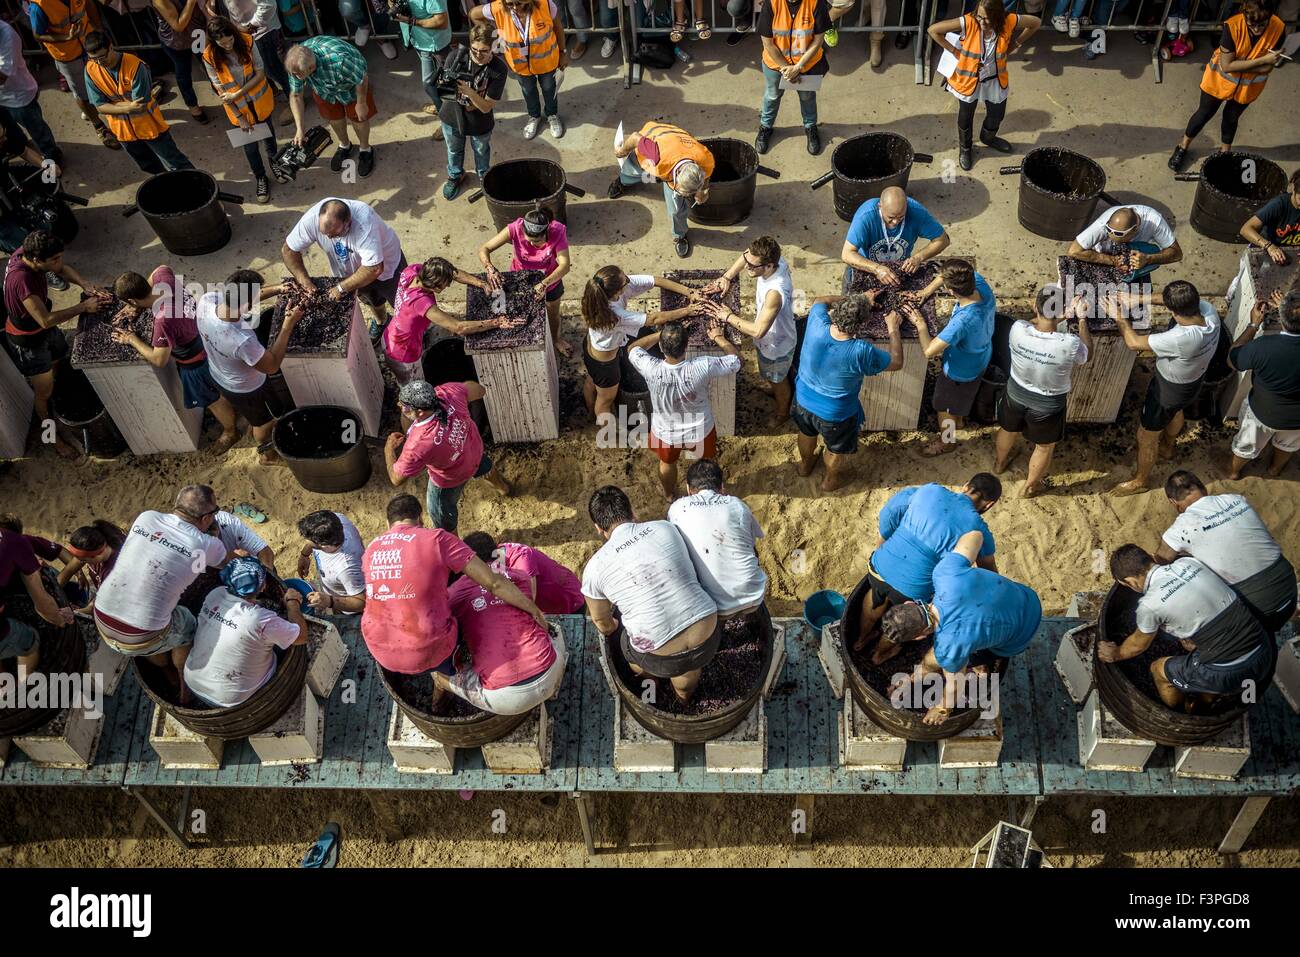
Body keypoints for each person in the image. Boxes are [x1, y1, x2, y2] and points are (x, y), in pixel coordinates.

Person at [360, 493, 544, 679]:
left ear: (387, 523)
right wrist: (533, 610)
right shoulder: (437, 539)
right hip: (429, 649)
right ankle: (453, 677)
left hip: (379, 649)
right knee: (459, 637)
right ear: (421, 518)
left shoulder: (371, 549)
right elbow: (494, 583)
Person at [879, 529, 1041, 725]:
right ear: (910, 604)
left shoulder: (949, 645)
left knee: (933, 660)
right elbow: (975, 536)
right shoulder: (944, 573)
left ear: (919, 637)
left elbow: (956, 684)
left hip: (1019, 634)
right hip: (1025, 596)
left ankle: (975, 664)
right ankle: (917, 677)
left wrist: (942, 709)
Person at [582, 485, 720, 703]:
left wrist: (617, 627)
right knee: (686, 673)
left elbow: (603, 623)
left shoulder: (594, 568)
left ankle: (650, 683)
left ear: (599, 528)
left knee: (628, 645)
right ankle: (683, 698)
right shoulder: (665, 528)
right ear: (633, 512)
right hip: (707, 630)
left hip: (658, 651)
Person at [1102, 545, 1273, 711]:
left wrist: (1115, 653)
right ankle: (1206, 699)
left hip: (1228, 673)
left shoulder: (1150, 605)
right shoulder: (1190, 563)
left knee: (1158, 668)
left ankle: (1180, 711)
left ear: (1130, 581)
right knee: (1205, 661)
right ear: (1152, 558)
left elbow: (1137, 646)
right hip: (1264, 653)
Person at [858, 475, 1001, 654]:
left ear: (965, 486)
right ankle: (880, 653)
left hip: (878, 567)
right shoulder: (979, 529)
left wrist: (885, 538)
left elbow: (890, 510)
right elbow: (989, 574)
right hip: (912, 590)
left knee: (874, 598)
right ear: (989, 505)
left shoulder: (930, 490)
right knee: (903, 621)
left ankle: (861, 639)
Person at [92, 486, 229, 673]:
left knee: (156, 613)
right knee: (187, 622)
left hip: (101, 617)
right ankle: (183, 677)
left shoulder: (146, 517)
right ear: (206, 518)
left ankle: (164, 667)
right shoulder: (205, 544)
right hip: (140, 635)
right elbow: (224, 563)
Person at [110, 266, 240, 454]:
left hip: (196, 361)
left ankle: (231, 431)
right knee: (223, 382)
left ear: (131, 300)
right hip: (208, 334)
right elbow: (162, 267)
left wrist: (131, 339)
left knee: (212, 399)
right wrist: (138, 305)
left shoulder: (163, 320)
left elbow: (159, 359)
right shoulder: (163, 279)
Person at [4, 229, 109, 458]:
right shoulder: (21, 280)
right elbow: (45, 320)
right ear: (35, 260)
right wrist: (83, 307)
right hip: (30, 341)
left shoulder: (28, 250)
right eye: (53, 259)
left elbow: (61, 270)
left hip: (48, 331)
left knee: (60, 357)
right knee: (43, 393)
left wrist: (84, 283)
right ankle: (51, 437)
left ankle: (57, 382)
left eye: (59, 256)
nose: (59, 263)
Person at [1111, 281, 1220, 496]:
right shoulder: (1209, 313)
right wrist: (1138, 299)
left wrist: (1118, 317)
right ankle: (1168, 447)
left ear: (1173, 312)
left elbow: (1134, 343)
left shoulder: (1180, 338)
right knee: (1176, 412)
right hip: (1192, 381)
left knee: (1146, 436)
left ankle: (1140, 481)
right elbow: (1171, 300)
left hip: (1167, 390)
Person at [1158, 470, 1297, 635]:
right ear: (1204, 489)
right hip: (1288, 581)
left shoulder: (1180, 528)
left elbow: (1161, 561)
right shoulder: (1236, 500)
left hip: (1256, 601)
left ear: (1173, 502)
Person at [791, 292, 904, 492]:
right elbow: (896, 362)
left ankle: (805, 466)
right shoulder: (860, 351)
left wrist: (855, 299)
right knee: (836, 448)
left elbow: (820, 301)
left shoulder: (817, 321)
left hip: (803, 399)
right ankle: (830, 481)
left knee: (806, 432)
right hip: (835, 414)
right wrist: (893, 328)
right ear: (860, 324)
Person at [994, 282, 1092, 497]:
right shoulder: (1069, 343)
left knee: (1008, 429)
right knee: (1044, 447)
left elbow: (1034, 324)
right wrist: (1081, 319)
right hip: (1047, 405)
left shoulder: (1018, 329)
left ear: (1035, 307)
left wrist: (1057, 316)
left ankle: (999, 464)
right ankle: (1029, 487)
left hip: (1015, 393)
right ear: (1059, 312)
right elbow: (1086, 355)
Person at [628, 319, 742, 501]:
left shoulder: (650, 367)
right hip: (700, 430)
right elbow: (737, 361)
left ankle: (668, 494)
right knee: (706, 464)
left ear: (661, 347)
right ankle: (708, 493)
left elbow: (633, 348)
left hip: (666, 432)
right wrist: (719, 337)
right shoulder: (702, 365)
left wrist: (662, 334)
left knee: (667, 462)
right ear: (686, 345)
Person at [196, 268, 300, 465]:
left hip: (219, 374)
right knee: (263, 422)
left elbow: (243, 299)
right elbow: (271, 365)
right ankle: (267, 455)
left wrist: (279, 289)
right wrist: (288, 324)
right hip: (247, 388)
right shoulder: (241, 340)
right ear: (247, 304)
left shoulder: (207, 301)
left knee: (261, 413)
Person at [1168, 0, 1285, 172]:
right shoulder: (1232, 26)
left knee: (1231, 119)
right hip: (1218, 81)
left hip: (1247, 88)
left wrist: (1253, 64)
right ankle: (1183, 146)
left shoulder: (1278, 28)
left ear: (1270, 17)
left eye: (1262, 24)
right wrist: (1262, 61)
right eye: (1252, 25)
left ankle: (1225, 154)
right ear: (1244, 15)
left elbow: (1269, 67)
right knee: (1204, 113)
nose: (1257, 29)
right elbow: (1227, 66)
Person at [384, 379, 512, 535]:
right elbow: (479, 390)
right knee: (484, 466)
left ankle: (454, 542)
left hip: (450, 478)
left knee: (441, 514)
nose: (401, 408)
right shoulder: (448, 393)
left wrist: (388, 449)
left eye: (404, 406)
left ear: (420, 412)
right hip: (473, 451)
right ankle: (503, 488)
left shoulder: (418, 444)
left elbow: (396, 479)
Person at [928, 0, 1040, 170]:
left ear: (998, 16)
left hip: (995, 77)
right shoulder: (969, 20)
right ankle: (965, 148)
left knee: (997, 113)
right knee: (966, 114)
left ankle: (988, 138)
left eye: (986, 19)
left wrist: (1016, 44)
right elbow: (933, 30)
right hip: (969, 79)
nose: (981, 21)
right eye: (979, 16)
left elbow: (1035, 23)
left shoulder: (1009, 20)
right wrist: (954, 51)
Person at [444, 560, 567, 714]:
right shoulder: (519, 576)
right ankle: (553, 692)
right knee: (554, 629)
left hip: (508, 700)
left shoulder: (453, 593)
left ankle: (438, 705)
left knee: (439, 675)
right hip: (551, 672)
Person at [581, 266, 701, 421]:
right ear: (617, 291)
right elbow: (653, 319)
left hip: (592, 344)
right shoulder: (615, 315)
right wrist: (687, 311)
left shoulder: (600, 293)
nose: (629, 280)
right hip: (605, 363)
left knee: (592, 380)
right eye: (625, 281)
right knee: (605, 400)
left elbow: (655, 280)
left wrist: (689, 292)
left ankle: (591, 413)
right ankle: (604, 428)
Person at [183, 556, 307, 706]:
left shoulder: (215, 594)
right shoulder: (259, 619)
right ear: (262, 587)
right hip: (231, 698)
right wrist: (293, 603)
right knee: (284, 643)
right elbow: (301, 637)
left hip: (193, 681)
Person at [705, 236, 799, 421]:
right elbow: (746, 256)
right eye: (748, 261)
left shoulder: (775, 293)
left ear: (770, 266)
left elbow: (758, 331)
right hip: (768, 341)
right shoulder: (774, 259)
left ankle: (782, 412)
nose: (747, 266)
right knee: (772, 376)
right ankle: (773, 385)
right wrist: (727, 277)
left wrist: (728, 316)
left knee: (779, 380)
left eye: (752, 266)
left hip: (776, 345)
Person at [911, 259, 996, 457]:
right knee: (962, 398)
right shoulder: (982, 288)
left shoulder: (963, 321)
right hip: (981, 357)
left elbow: (929, 351)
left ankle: (947, 441)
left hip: (959, 370)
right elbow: (950, 274)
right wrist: (926, 291)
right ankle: (959, 419)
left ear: (951, 291)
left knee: (944, 407)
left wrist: (920, 323)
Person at [283, 197, 407, 330]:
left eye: (335, 235)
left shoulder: (364, 222)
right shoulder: (312, 219)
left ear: (348, 222)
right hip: (354, 273)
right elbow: (288, 250)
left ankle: (413, 332)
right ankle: (382, 322)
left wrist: (340, 288)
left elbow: (374, 268)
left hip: (388, 267)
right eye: (325, 234)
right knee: (372, 300)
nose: (329, 238)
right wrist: (304, 281)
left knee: (405, 304)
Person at [83, 32, 195, 176]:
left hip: (149, 127)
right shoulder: (91, 70)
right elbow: (100, 107)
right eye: (93, 59)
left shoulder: (135, 66)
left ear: (111, 47)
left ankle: (198, 186)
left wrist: (112, 105)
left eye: (102, 57)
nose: (99, 62)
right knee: (149, 166)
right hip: (123, 132)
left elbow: (139, 106)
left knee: (175, 163)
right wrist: (128, 107)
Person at [668, 458, 768, 619]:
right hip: (754, 596)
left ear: (688, 489)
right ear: (722, 487)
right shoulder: (738, 505)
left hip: (712, 608)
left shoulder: (678, 509)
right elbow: (751, 545)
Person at [384, 257, 498, 386]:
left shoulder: (413, 271)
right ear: (436, 287)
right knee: (415, 388)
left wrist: (481, 283)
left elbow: (454, 273)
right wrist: (496, 322)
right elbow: (459, 327)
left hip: (391, 333)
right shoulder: (421, 302)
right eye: (446, 284)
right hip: (403, 353)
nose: (448, 285)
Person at [609, 122, 714, 259]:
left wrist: (703, 191)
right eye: (683, 192)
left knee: (676, 210)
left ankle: (679, 235)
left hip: (678, 146)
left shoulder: (705, 159)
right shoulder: (656, 154)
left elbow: (706, 177)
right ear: (675, 177)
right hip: (656, 139)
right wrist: (622, 151)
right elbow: (635, 137)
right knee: (632, 173)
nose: (686, 196)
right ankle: (623, 181)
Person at [479, 204, 573, 357]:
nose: (531, 244)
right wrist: (489, 268)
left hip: (549, 280)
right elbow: (484, 248)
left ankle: (556, 339)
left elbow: (564, 266)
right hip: (519, 279)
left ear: (547, 231)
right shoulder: (515, 228)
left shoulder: (557, 231)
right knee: (521, 310)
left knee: (553, 313)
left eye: (536, 242)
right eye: (528, 240)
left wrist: (544, 284)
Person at [201, 17, 277, 203]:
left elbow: (260, 73)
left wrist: (237, 94)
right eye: (222, 42)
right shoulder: (209, 56)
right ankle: (261, 177)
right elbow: (221, 91)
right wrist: (239, 116)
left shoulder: (248, 41)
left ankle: (276, 164)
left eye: (230, 40)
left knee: (269, 136)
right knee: (250, 148)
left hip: (260, 104)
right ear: (214, 41)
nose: (227, 45)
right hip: (240, 113)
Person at [26, 0, 119, 150]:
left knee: (104, 79)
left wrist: (98, 27)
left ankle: (113, 113)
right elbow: (38, 35)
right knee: (82, 93)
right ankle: (99, 126)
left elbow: (88, 4)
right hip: (67, 54)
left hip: (90, 43)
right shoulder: (40, 5)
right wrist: (66, 38)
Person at [1227, 290, 1300, 479]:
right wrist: (1288, 308)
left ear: (1282, 320)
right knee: (1288, 445)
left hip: (1263, 413)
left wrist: (1253, 324)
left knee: (1246, 446)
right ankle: (1274, 469)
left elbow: (1232, 359)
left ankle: (1234, 473)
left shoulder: (1263, 347)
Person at [470, 0, 567, 141]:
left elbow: (558, 27)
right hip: (519, 65)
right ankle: (534, 116)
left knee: (549, 88)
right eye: (509, 4)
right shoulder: (497, 8)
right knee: (528, 91)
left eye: (519, 3)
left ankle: (552, 115)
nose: (514, 8)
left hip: (547, 62)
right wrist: (489, 34)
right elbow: (474, 14)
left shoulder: (545, 4)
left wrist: (563, 52)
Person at [285, 36, 377, 176]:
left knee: (359, 119)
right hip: (324, 90)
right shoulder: (296, 64)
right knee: (334, 118)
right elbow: (296, 95)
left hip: (350, 86)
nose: (295, 77)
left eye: (299, 75)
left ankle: (365, 150)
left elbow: (361, 78)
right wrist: (299, 129)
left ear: (311, 67)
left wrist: (361, 102)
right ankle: (345, 145)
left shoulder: (340, 61)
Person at [434, 25, 508, 200]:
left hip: (479, 121)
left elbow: (486, 107)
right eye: (474, 49)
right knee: (453, 150)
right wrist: (446, 83)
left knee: (481, 151)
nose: (477, 55)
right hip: (452, 115)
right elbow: (443, 93)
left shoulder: (499, 69)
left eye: (484, 51)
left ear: (494, 48)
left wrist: (469, 93)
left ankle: (484, 177)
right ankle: (455, 176)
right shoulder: (456, 56)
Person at [840, 187, 951, 296]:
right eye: (891, 217)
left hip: (900, 268)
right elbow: (847, 254)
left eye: (901, 216)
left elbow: (943, 240)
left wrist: (918, 257)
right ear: (880, 206)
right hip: (866, 265)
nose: (896, 221)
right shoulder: (866, 216)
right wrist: (876, 269)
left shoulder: (917, 213)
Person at [0, 520, 77, 675]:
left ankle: (3, 685)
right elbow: (43, 605)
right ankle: (23, 686)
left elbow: (59, 551)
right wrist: (62, 621)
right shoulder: (15, 541)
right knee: (30, 642)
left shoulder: (24, 541)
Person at [755, 0, 830, 157]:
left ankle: (810, 127)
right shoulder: (772, 3)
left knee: (807, 96)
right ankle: (765, 127)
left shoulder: (816, 3)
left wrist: (798, 67)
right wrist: (786, 69)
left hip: (807, 64)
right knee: (772, 96)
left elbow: (818, 40)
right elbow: (767, 43)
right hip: (775, 64)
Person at [461, 532, 583, 614]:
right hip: (546, 607)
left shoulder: (521, 558)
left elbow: (528, 601)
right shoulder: (496, 555)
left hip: (570, 602)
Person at [1067, 205, 1183, 289]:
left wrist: (1148, 259)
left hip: (1138, 258)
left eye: (1122, 241)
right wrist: (1113, 260)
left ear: (1135, 230)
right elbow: (1074, 251)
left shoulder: (1154, 221)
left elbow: (1177, 254)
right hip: (1103, 256)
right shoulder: (1102, 224)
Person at [0, 20, 62, 165]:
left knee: (39, 133)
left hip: (19, 97)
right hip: (2, 99)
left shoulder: (7, 35)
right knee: (10, 132)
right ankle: (23, 149)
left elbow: (2, 76)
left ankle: (53, 158)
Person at [207, 0, 292, 102]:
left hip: (261, 32)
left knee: (273, 70)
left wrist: (252, 25)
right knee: (268, 70)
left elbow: (268, 4)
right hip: (247, 32)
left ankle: (295, 100)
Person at [150, 0, 211, 126]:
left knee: (209, 66)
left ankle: (228, 100)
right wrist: (190, 2)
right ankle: (193, 107)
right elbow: (178, 25)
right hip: (176, 41)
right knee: (183, 72)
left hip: (198, 32)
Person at [295, 510, 366, 615]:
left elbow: (362, 602)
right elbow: (311, 542)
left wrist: (330, 601)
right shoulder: (337, 520)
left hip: (345, 604)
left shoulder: (346, 569)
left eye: (309, 540)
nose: (306, 541)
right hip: (333, 588)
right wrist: (304, 555)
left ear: (323, 545)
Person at [389, 0, 451, 119]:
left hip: (434, 47)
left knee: (440, 87)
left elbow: (442, 21)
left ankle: (447, 120)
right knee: (435, 86)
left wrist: (411, 21)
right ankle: (440, 106)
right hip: (420, 42)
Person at [57, 520, 127, 609]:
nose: (79, 561)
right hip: (102, 590)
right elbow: (69, 570)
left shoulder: (115, 569)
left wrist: (76, 612)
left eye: (83, 560)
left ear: (95, 555)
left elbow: (100, 604)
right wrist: (54, 592)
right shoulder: (96, 545)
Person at [1240, 167, 1300, 264]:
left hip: (1292, 255)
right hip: (1265, 250)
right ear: (1294, 190)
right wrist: (1269, 246)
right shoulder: (1279, 204)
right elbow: (1246, 229)